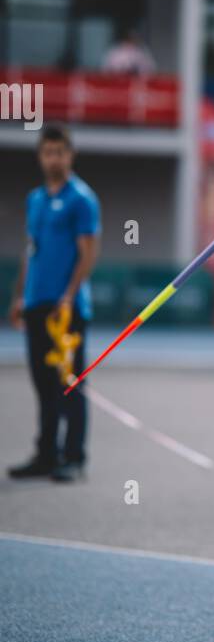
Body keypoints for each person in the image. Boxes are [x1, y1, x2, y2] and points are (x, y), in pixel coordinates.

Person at [7, 123, 101, 482]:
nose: (54, 158)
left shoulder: (82, 199)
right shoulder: (35, 199)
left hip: (67, 310)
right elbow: (31, 252)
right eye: (48, 152)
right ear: (40, 156)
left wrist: (68, 296)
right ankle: (46, 453)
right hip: (36, 304)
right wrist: (19, 296)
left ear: (70, 155)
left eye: (60, 152)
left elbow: (88, 253)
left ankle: (74, 457)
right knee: (43, 383)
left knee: (70, 384)